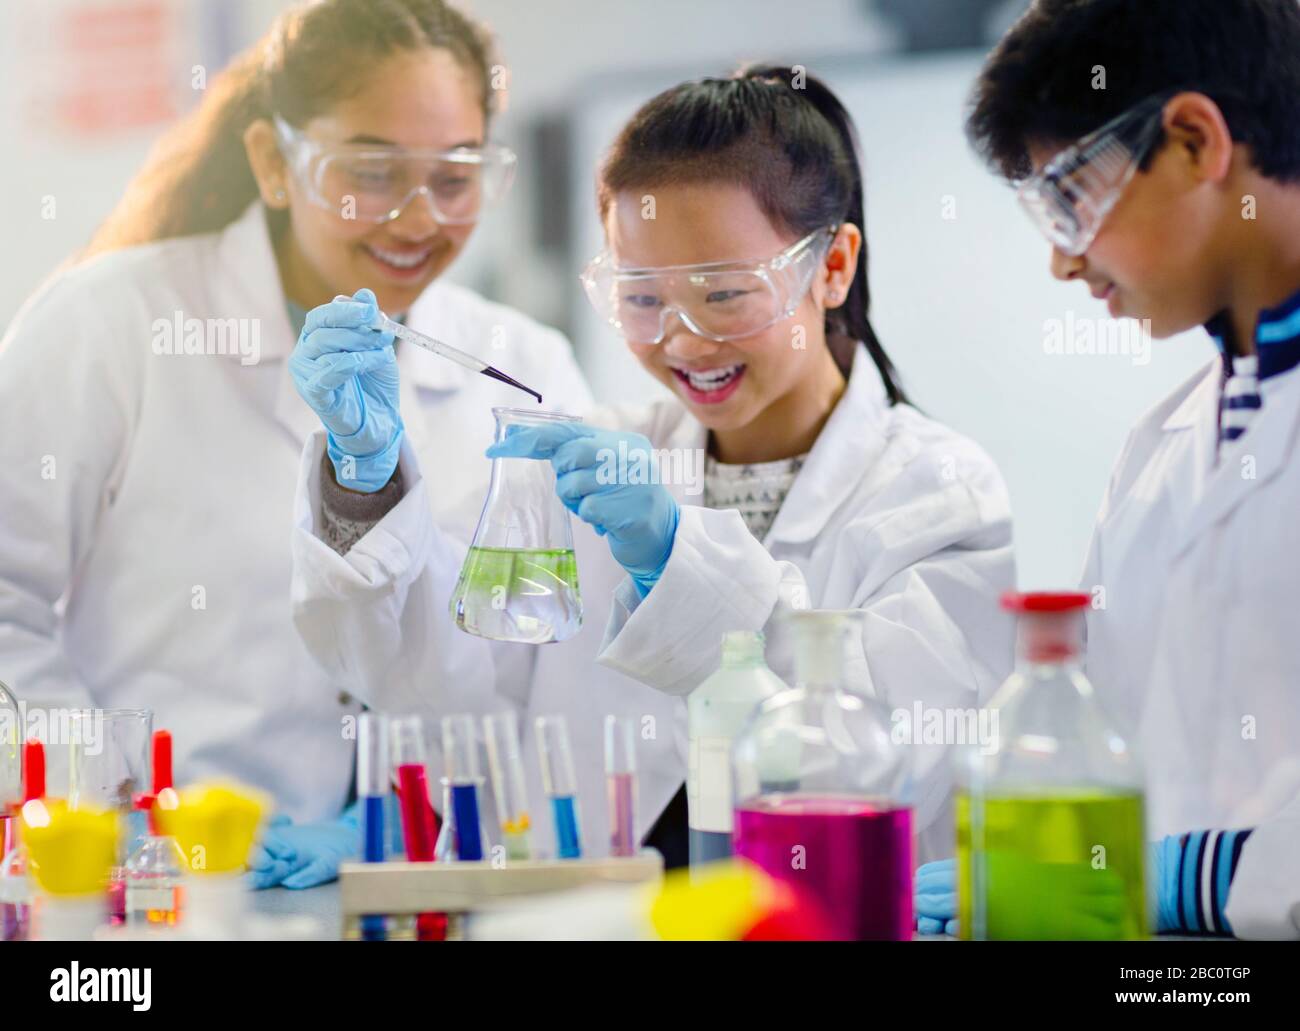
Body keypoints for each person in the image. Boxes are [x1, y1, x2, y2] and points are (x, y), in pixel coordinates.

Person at [290, 66, 1016, 870]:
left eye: (725, 293)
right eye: (641, 297)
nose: (684, 340)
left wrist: (678, 562)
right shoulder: (596, 467)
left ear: (833, 265)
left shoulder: (938, 493)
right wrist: (365, 478)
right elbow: (441, 680)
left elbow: (899, 765)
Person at [0, 0, 589, 891]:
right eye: (373, 173)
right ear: (275, 163)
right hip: (151, 881)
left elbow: (542, 671)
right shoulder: (114, 321)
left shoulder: (524, 367)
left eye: (456, 176)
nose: (419, 219)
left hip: (414, 877)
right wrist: (120, 804)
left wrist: (405, 812)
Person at [919, 0, 1300, 939]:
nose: (1062, 260)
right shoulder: (1159, 448)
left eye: (1071, 198)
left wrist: (1199, 878)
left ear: (1194, 141)